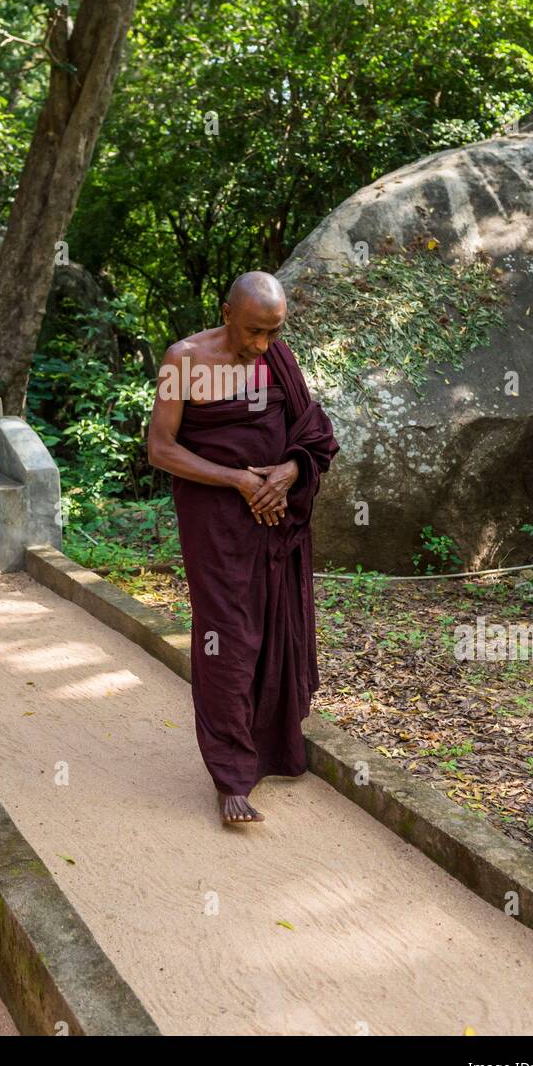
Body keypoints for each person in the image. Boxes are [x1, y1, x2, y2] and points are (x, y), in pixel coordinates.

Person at [146, 271, 340, 827]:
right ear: (227, 313)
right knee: (226, 633)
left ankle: (274, 748)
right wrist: (239, 481)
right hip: (215, 518)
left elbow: (312, 432)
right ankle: (230, 774)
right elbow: (161, 450)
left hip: (275, 513)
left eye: (273, 333)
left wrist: (287, 472)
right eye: (254, 331)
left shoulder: (277, 357)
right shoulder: (182, 361)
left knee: (276, 620)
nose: (262, 346)